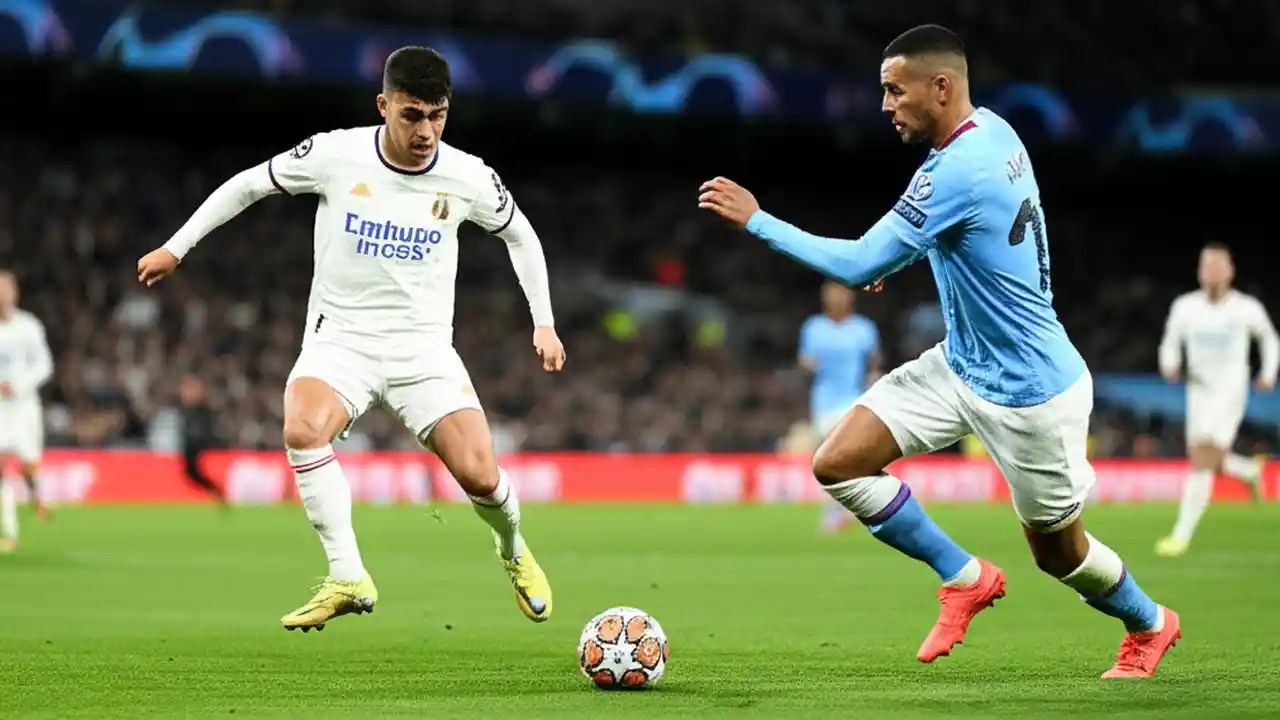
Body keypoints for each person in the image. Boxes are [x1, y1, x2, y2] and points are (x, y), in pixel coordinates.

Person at [697, 24, 1180, 678]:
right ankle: (964, 575)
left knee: (1059, 555)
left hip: (1031, 395)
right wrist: (900, 256)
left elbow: (859, 260)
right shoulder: (994, 132)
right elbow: (964, 235)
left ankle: (1149, 622)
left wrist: (757, 219)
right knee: (838, 463)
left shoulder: (959, 169)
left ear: (941, 86)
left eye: (895, 91)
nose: (886, 105)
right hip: (961, 364)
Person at [136, 46, 565, 631]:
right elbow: (246, 185)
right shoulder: (336, 154)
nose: (426, 130)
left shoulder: (466, 174)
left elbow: (523, 236)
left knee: (481, 476)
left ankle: (513, 550)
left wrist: (543, 321)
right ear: (383, 105)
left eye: (438, 115)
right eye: (412, 115)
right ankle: (348, 575)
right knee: (302, 427)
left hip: (423, 349)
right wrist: (175, 246)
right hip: (341, 340)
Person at [1156, 242, 1277, 557]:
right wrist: (1169, 362)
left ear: (1230, 271)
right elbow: (1170, 340)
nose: (1211, 272)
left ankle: (1181, 534)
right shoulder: (1185, 307)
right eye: (1205, 266)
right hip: (1198, 392)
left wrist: (1268, 371)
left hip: (1229, 392)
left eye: (1217, 266)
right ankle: (1249, 471)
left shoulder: (1245, 308)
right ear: (1198, 271)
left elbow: (1269, 339)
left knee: (1202, 458)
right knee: (1209, 457)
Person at [796, 281, 881, 534]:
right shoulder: (814, 328)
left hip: (854, 399)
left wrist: (874, 380)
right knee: (831, 457)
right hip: (824, 400)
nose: (836, 300)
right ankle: (841, 510)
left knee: (846, 456)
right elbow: (805, 359)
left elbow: (874, 361)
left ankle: (842, 511)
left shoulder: (863, 329)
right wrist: (809, 365)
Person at [0, 270, 54, 555]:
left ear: (15, 292)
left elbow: (44, 365)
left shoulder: (28, 326)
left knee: (28, 465)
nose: (2, 294)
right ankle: (9, 532)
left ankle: (36, 493)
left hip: (23, 406)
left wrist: (18, 385)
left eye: (6, 288)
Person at [177, 375, 228, 505]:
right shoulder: (184, 412)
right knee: (192, 473)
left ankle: (216, 492)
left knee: (195, 472)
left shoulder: (205, 413)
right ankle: (215, 492)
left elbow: (210, 434)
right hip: (192, 451)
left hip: (203, 450)